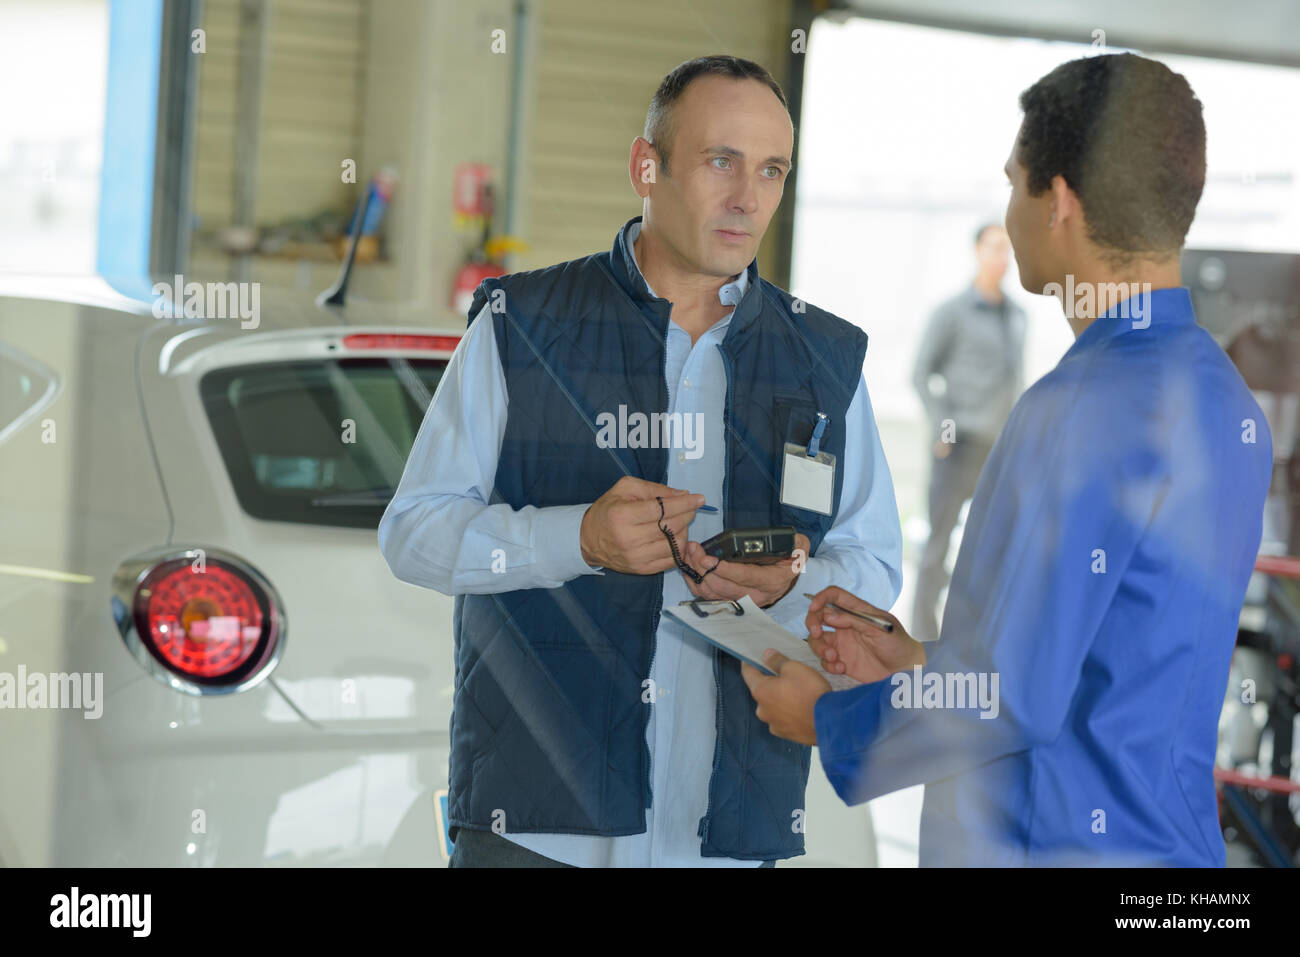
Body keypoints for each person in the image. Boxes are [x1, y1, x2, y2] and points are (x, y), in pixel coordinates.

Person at [741, 52, 1274, 866]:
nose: (1009, 210)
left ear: (1059, 198)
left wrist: (827, 717)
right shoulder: (1225, 401)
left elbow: (1010, 697)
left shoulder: (1082, 407)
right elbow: (1105, 661)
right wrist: (922, 662)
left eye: (1013, 181)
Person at [378, 55, 902, 867]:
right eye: (720, 160)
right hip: (534, 831)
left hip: (727, 832)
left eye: (771, 170)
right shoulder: (524, 327)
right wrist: (575, 539)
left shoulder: (826, 360)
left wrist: (796, 580)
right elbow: (412, 532)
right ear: (644, 167)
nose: (747, 197)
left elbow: (874, 565)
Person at [910, 223, 1027, 642]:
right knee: (937, 550)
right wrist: (943, 429)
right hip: (957, 446)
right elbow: (923, 374)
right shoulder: (952, 313)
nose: (1003, 256)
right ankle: (923, 640)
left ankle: (972, 638)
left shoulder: (1017, 316)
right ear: (977, 251)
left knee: (991, 546)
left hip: (998, 450)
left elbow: (1014, 382)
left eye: (1008, 248)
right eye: (995, 247)